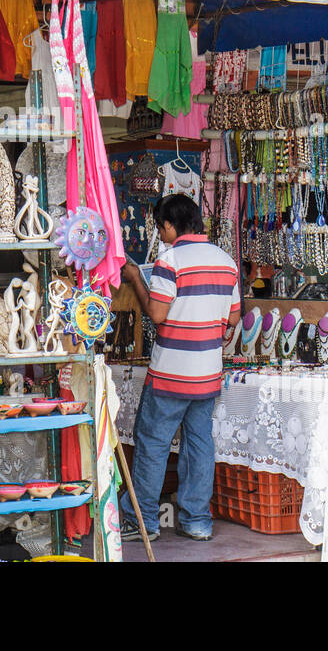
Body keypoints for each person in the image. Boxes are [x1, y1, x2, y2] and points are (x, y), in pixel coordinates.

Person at [118, 194, 239, 543]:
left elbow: (156, 314)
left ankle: (143, 522)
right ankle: (197, 521)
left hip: (170, 374)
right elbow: (232, 316)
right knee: (199, 445)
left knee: (153, 444)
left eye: (161, 226)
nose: (161, 233)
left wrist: (136, 280)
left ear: (170, 225)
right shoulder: (226, 262)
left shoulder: (169, 261)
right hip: (207, 374)